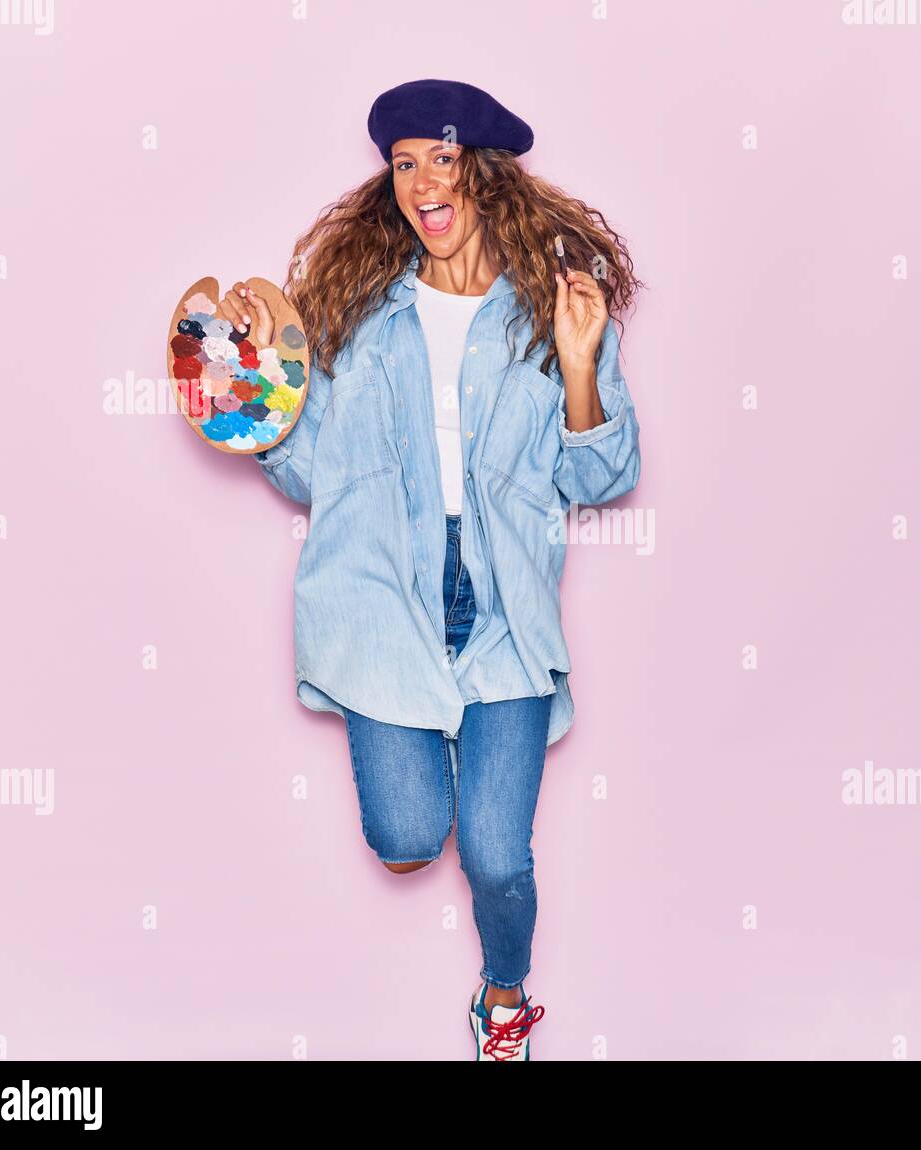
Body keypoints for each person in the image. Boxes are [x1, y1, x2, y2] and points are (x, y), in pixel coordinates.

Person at [213, 79, 642, 1060]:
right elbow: (314, 471)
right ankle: (427, 754)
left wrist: (579, 366)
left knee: (496, 856)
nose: (419, 181)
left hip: (502, 611)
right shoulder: (357, 314)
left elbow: (604, 475)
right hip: (379, 602)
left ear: (484, 175)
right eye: (402, 163)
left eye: (438, 158)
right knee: (407, 837)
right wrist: (255, 383)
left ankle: (503, 996)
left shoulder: (553, 311)